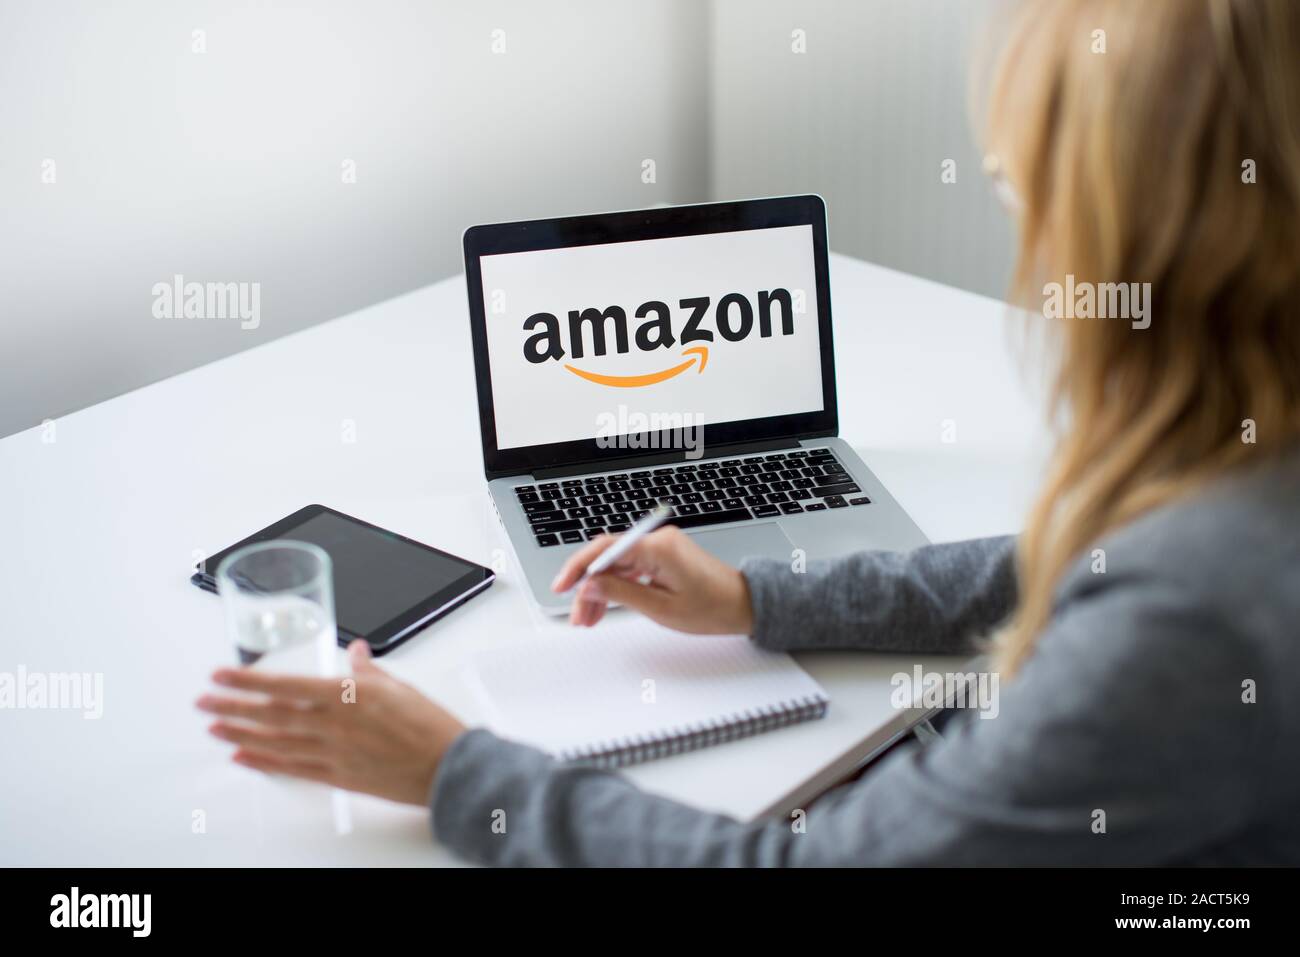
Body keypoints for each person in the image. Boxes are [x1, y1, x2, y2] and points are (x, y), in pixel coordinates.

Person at [196, 0, 1300, 865]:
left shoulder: (1193, 621)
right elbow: (1062, 569)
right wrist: (766, 598)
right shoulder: (1246, 476)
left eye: (1028, 186)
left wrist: (450, 773)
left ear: (1145, 232)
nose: (1026, 240)